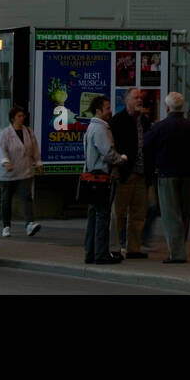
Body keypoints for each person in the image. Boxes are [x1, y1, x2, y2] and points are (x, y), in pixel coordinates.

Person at [141, 92, 190, 264]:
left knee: (171, 215)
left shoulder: (159, 127)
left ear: (167, 107)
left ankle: (176, 253)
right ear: (182, 107)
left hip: (166, 174)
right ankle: (180, 246)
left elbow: (146, 147)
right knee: (184, 214)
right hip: (188, 174)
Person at [109, 89, 152, 259]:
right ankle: (114, 247)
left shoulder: (145, 121)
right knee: (119, 213)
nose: (139, 100)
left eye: (140, 98)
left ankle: (134, 248)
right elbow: (113, 147)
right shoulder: (118, 121)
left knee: (138, 214)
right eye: (136, 97)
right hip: (125, 173)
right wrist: (116, 168)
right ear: (127, 100)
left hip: (142, 174)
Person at [83, 95, 126, 265]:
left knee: (94, 215)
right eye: (107, 108)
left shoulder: (91, 128)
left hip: (92, 176)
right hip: (101, 177)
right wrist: (121, 159)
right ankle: (101, 254)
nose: (110, 111)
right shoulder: (100, 129)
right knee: (102, 215)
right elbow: (107, 153)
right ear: (98, 110)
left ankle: (91, 252)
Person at [0, 105, 43, 238]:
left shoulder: (28, 132)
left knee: (27, 197)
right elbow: (1, 149)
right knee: (6, 200)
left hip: (25, 170)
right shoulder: (5, 133)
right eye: (19, 116)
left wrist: (38, 163)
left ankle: (29, 224)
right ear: (13, 118)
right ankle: (6, 226)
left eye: (23, 116)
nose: (22, 118)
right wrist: (6, 162)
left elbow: (34, 148)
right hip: (9, 172)